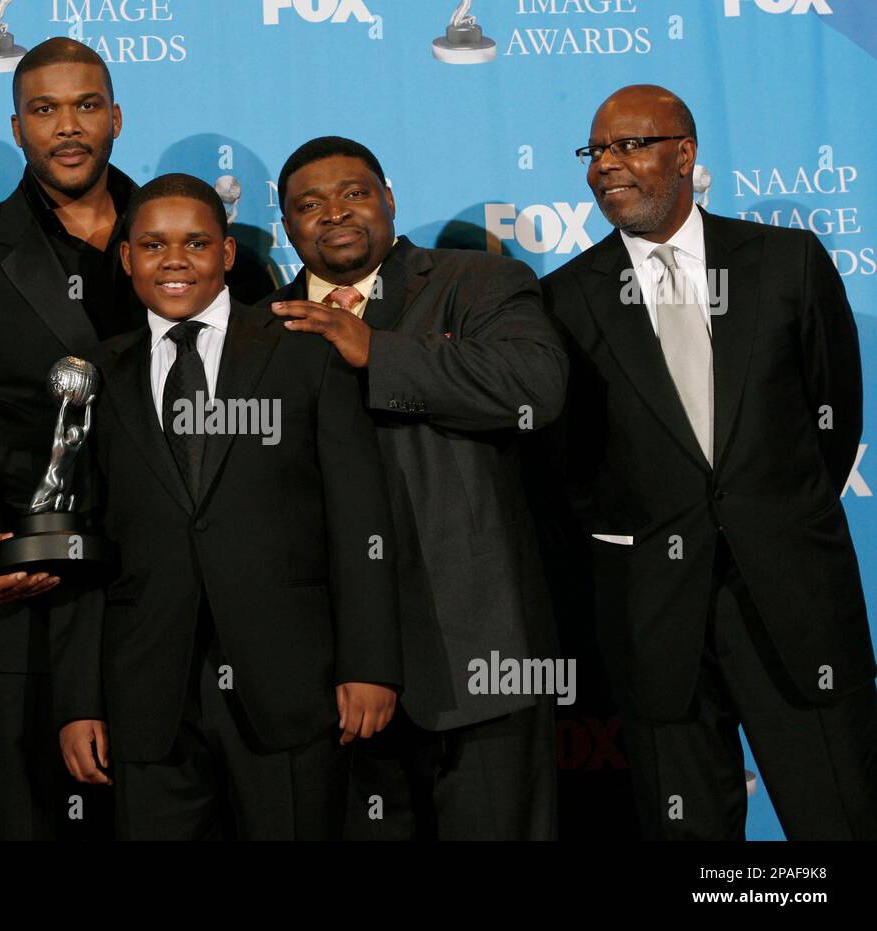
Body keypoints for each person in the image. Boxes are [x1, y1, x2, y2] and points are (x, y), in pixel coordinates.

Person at [541, 84, 877, 839]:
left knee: (843, 818)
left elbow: (833, 418)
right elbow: (566, 471)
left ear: (685, 153)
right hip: (656, 619)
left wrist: (772, 517)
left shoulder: (785, 262)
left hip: (796, 602)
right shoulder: (563, 299)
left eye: (629, 145)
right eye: (595, 152)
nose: (606, 166)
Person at [55, 174, 401, 840]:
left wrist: (369, 663)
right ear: (127, 259)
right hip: (147, 697)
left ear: (227, 254)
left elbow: (361, 523)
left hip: (293, 686)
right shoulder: (94, 376)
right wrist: (78, 701)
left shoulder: (305, 354)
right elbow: (82, 544)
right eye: (153, 245)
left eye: (196, 243)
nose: (175, 260)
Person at [266, 137, 566, 840]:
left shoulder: (478, 281)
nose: (334, 213)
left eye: (354, 193)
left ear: (389, 199)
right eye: (308, 205)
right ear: (285, 228)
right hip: (331, 673)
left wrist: (380, 351)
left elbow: (536, 385)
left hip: (479, 657)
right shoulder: (261, 327)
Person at [0, 37, 139, 840]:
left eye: (84, 105)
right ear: (18, 128)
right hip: (34, 598)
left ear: (115, 115)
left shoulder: (189, 243)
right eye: (45, 110)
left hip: (176, 596)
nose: (67, 127)